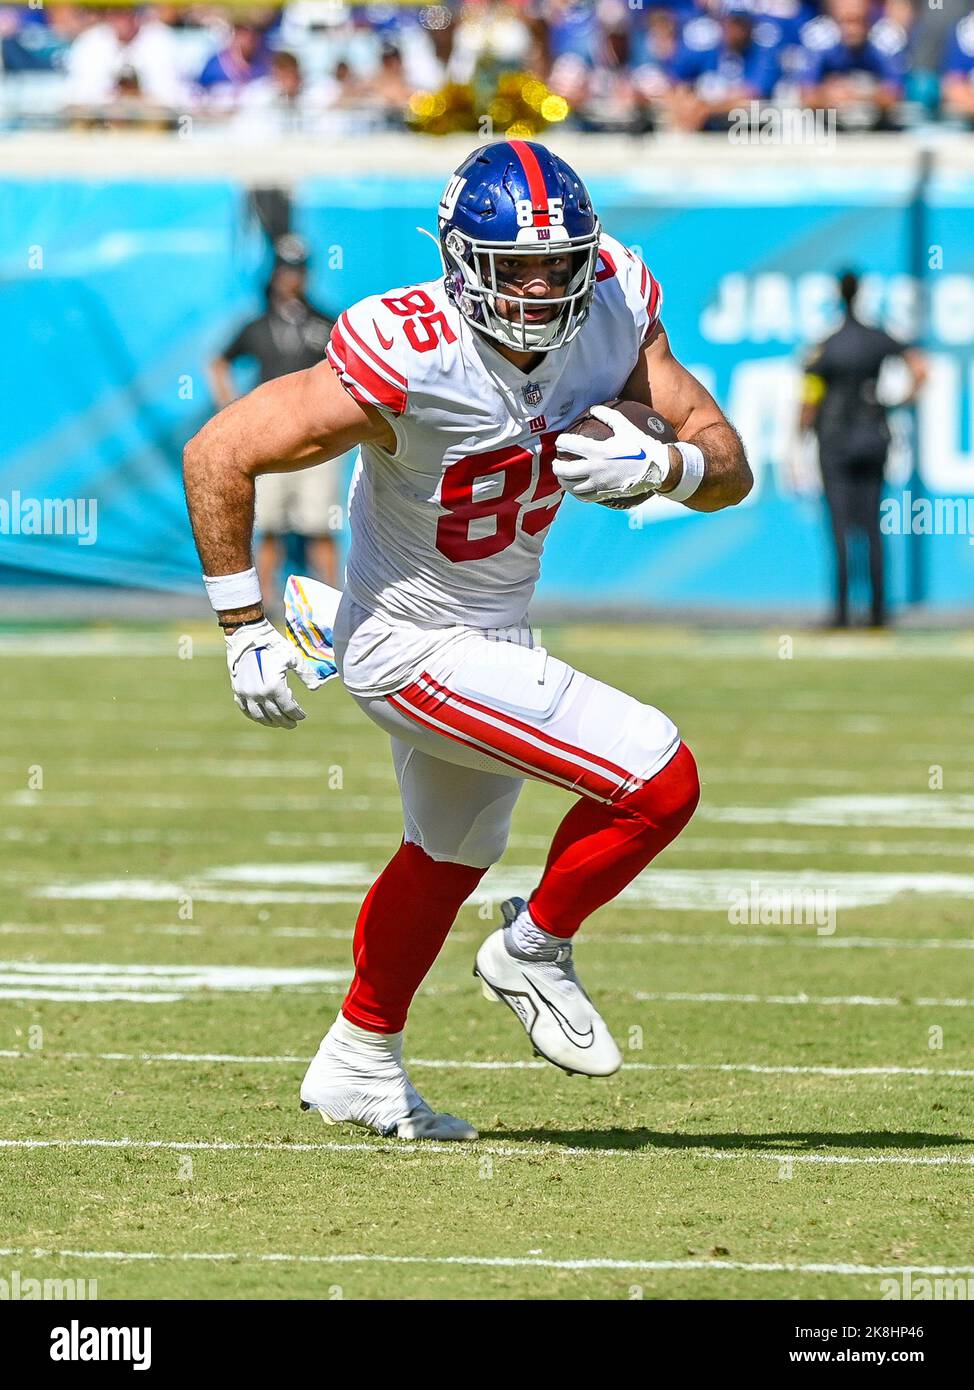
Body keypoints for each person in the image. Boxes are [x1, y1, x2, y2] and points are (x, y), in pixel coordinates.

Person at [184, 141, 752, 1141]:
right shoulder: (408, 348)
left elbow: (727, 464)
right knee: (658, 777)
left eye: (558, 263)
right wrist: (242, 626)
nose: (538, 288)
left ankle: (358, 1057)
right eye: (512, 267)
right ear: (459, 261)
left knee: (447, 853)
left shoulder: (615, 300)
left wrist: (665, 467)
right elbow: (218, 450)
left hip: (492, 626)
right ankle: (532, 944)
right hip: (406, 642)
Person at [208, 236, 342, 595]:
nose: (292, 278)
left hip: (319, 437)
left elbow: (347, 369)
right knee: (268, 526)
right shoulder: (259, 324)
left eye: (298, 270)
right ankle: (263, 602)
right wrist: (231, 407)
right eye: (286, 270)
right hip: (269, 437)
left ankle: (334, 601)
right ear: (276, 274)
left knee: (320, 525)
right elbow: (219, 361)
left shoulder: (326, 322)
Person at [799, 271, 926, 629]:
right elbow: (921, 368)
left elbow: (810, 395)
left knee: (839, 527)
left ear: (838, 296)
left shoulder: (828, 344)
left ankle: (841, 614)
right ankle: (877, 614)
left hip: (835, 440)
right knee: (872, 528)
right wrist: (896, 403)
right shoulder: (878, 339)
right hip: (873, 436)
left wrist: (799, 437)